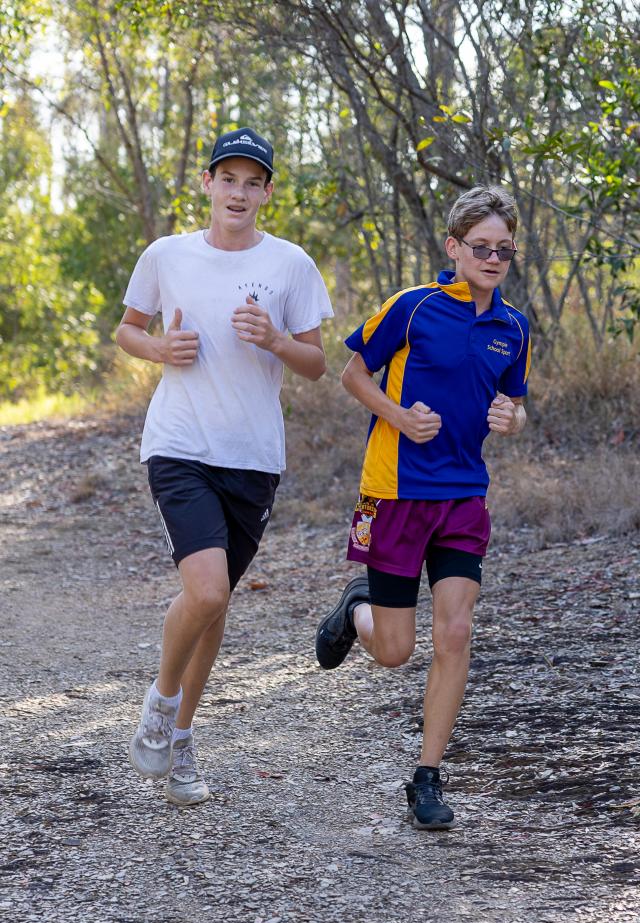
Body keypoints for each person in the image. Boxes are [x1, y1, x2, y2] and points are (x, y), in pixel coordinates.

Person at [117, 127, 332, 806]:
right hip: (179, 444)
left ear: (267, 192)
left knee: (216, 607)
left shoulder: (291, 263)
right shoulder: (166, 255)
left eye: (253, 181)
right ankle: (160, 700)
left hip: (253, 458)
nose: (239, 191)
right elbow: (126, 328)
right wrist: (160, 349)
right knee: (206, 591)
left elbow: (319, 361)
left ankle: (181, 739)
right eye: (228, 178)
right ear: (207, 184)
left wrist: (274, 338)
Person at [315, 185, 530, 830]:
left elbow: (512, 404)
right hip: (396, 491)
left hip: (464, 493)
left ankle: (427, 776)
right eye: (480, 247)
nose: (492, 259)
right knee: (394, 652)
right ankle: (358, 609)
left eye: (504, 250)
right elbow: (352, 373)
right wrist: (399, 418)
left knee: (457, 631)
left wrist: (511, 418)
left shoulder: (512, 327)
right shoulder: (412, 308)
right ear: (454, 248)